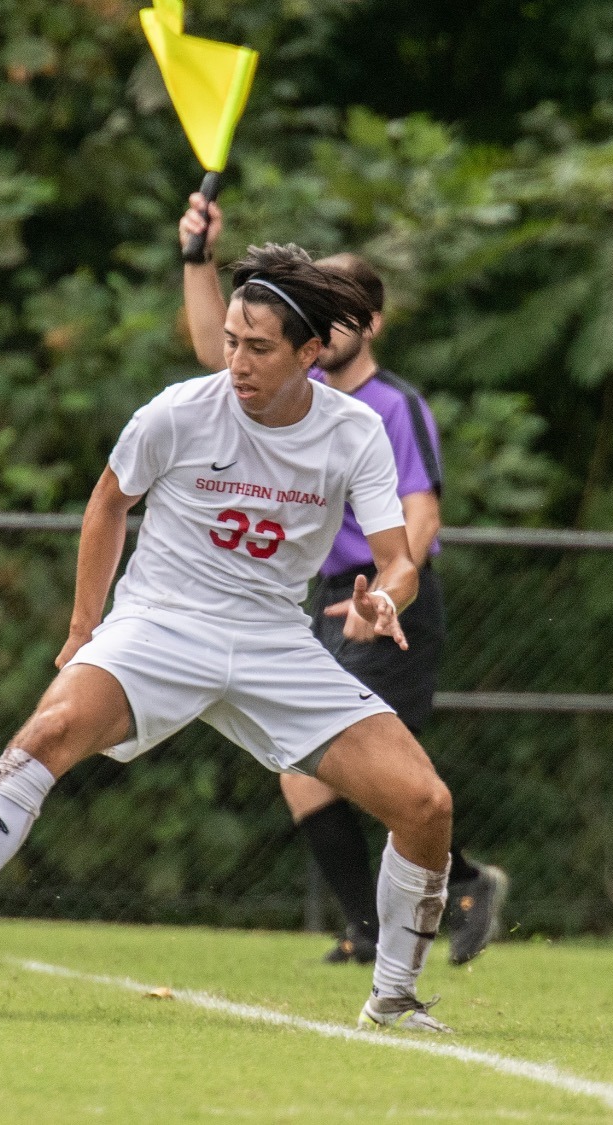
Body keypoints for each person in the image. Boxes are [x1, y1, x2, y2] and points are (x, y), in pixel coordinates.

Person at [0, 244, 461, 1033]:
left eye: (258, 347)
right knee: (48, 731)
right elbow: (107, 504)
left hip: (274, 639)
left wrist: (387, 600)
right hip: (161, 621)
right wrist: (81, 632)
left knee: (427, 803)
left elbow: (398, 557)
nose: (236, 360)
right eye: (232, 339)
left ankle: (395, 997)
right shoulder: (177, 410)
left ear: (310, 353)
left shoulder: (356, 430)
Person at [178, 196, 508, 967]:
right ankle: (377, 922)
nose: (325, 328)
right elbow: (209, 346)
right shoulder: (298, 397)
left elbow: (421, 516)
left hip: (383, 603)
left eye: (342, 315)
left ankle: (459, 884)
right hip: (321, 601)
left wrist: (390, 591)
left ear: (371, 327)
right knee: (303, 768)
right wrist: (196, 258)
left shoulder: (392, 406)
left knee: (354, 763)